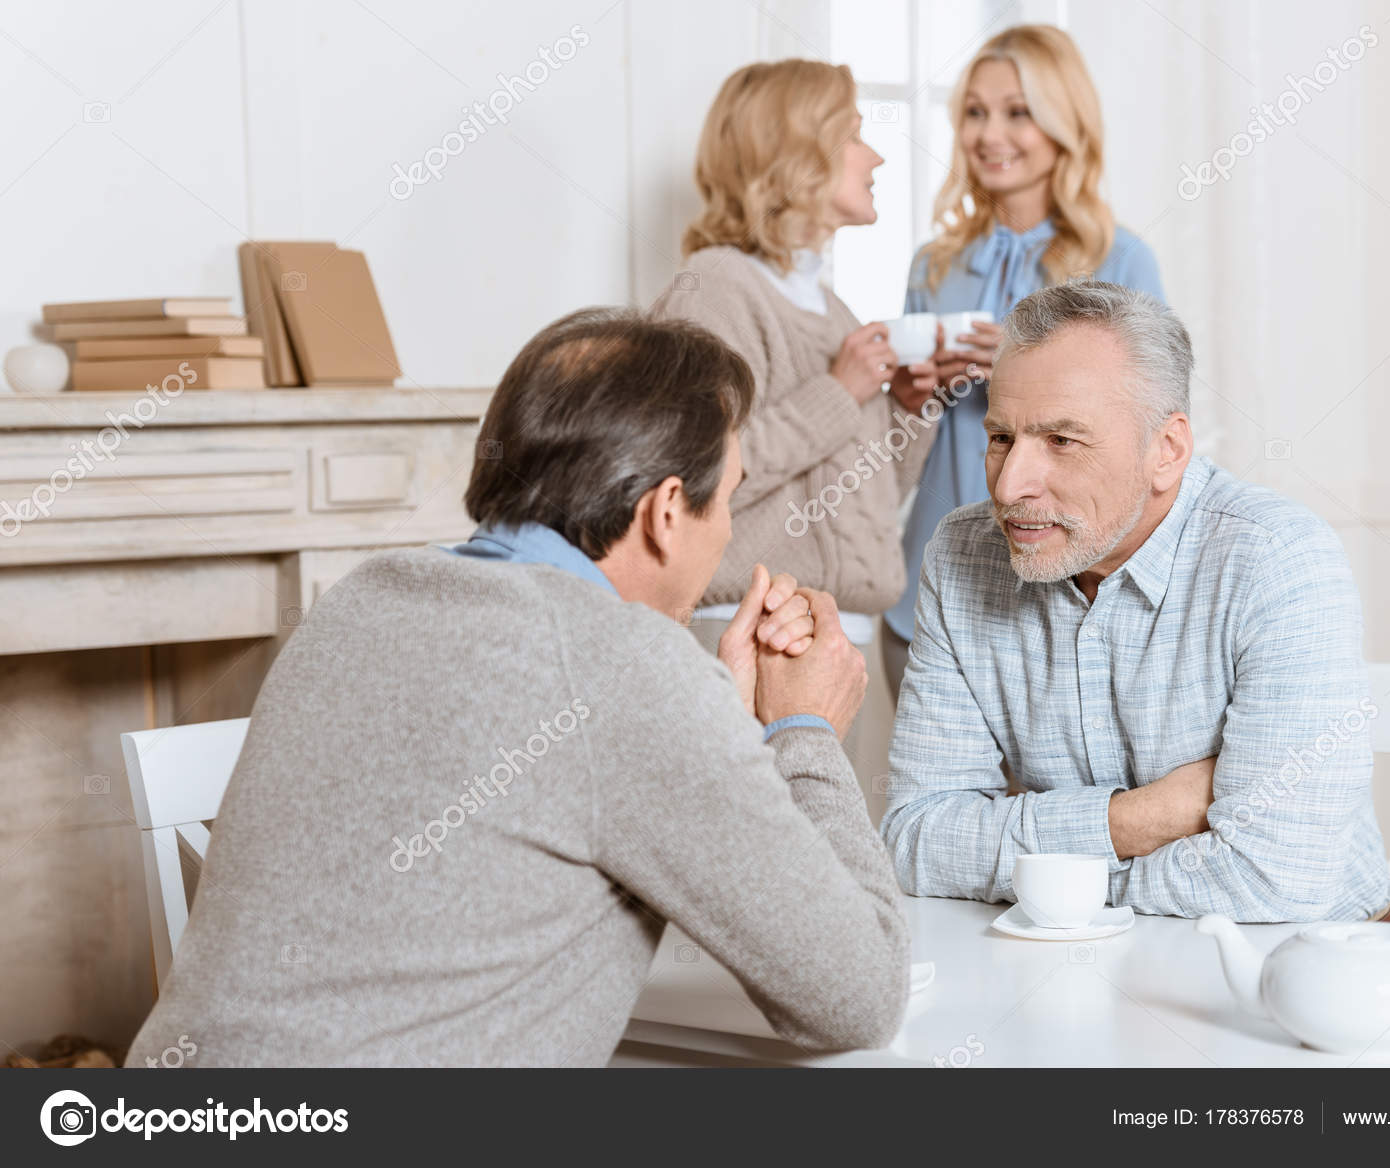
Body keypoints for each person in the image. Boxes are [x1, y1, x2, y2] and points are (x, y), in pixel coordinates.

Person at [126, 309, 908, 1067]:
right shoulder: (627, 672)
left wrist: (710, 717)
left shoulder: (360, 600)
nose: (731, 531)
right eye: (730, 497)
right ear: (666, 511)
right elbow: (859, 996)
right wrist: (802, 728)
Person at [882, 281, 1390, 923]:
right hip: (1086, 978)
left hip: (1302, 986)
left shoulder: (1277, 560)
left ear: (1167, 451)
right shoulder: (961, 555)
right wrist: (1144, 817)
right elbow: (915, 841)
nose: (1011, 485)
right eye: (1002, 437)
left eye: (1062, 442)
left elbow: (1276, 882)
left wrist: (1048, 879)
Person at [883, 25, 1166, 699]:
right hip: (934, 573)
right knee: (934, 799)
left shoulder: (1122, 260)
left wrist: (1016, 366)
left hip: (1066, 584)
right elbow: (901, 441)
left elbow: (1145, 426)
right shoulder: (936, 264)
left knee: (1045, 805)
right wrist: (907, 394)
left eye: (1018, 111)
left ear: (1063, 122)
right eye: (975, 113)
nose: (989, 134)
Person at [653, 58, 941, 670]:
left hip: (839, 635)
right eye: (855, 136)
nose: (876, 159)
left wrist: (909, 416)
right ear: (798, 153)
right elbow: (694, 472)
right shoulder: (715, 286)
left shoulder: (833, 309)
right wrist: (841, 392)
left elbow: (863, 496)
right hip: (750, 636)